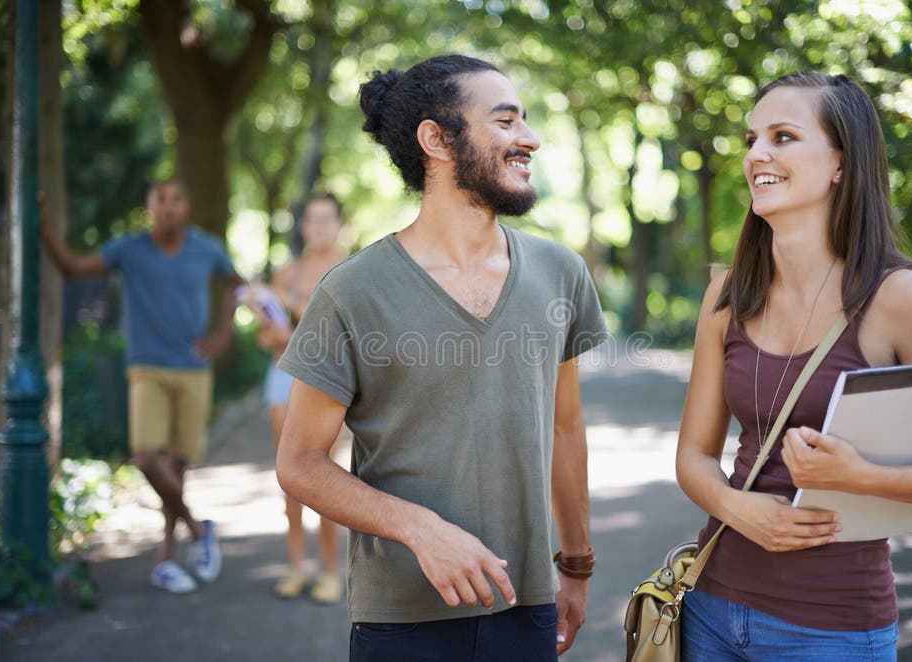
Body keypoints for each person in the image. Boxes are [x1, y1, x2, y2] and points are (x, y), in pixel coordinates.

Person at [274, 54, 609, 660]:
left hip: (526, 606)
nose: (528, 138)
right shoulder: (351, 292)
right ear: (437, 139)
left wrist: (577, 565)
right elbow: (299, 463)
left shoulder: (561, 273)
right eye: (505, 121)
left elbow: (566, 427)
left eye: (525, 121)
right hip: (402, 618)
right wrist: (419, 528)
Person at [675, 72, 912, 661]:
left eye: (783, 136)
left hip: (831, 629)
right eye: (752, 138)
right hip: (710, 609)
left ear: (840, 163)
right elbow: (693, 456)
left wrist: (861, 476)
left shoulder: (900, 298)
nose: (756, 154)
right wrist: (738, 508)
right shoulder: (726, 294)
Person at [41, 179, 241, 594]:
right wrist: (42, 227)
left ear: (186, 207)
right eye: (160, 199)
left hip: (193, 368)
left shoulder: (208, 248)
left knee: (178, 467)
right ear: (149, 206)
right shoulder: (127, 250)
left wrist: (223, 335)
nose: (169, 207)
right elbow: (73, 269)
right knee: (148, 458)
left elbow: (236, 283)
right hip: (146, 368)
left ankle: (165, 560)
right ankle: (197, 528)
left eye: (176, 199)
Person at [250, 195, 350, 603]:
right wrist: (267, 326)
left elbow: (335, 330)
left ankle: (330, 571)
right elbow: (267, 337)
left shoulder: (351, 270)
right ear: (303, 225)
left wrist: (290, 308)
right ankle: (295, 567)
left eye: (326, 219)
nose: (318, 226)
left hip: (329, 379)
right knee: (288, 475)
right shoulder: (287, 272)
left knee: (323, 474)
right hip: (284, 376)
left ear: (340, 224)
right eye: (311, 219)